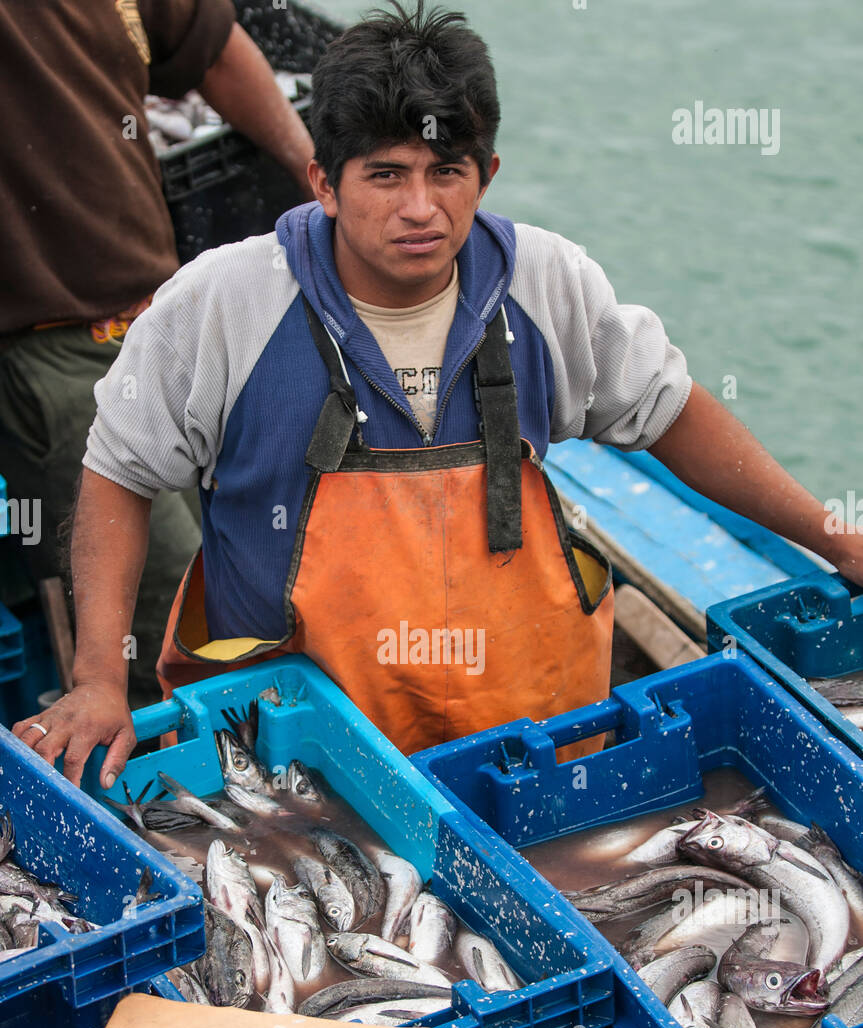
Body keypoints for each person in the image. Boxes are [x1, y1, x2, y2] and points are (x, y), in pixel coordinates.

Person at [14, 1, 862, 784]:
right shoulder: (224, 302)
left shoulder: (546, 282)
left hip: (527, 751)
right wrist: (98, 679)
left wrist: (836, 539)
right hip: (296, 762)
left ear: (485, 175)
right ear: (323, 182)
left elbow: (670, 413)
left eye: (445, 171)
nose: (420, 208)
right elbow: (119, 472)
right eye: (384, 175)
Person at [0, 0, 314, 708]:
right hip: (49, 352)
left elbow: (213, 45)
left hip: (164, 320)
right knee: (165, 622)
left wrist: (310, 171)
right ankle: (167, 757)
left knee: (257, 583)